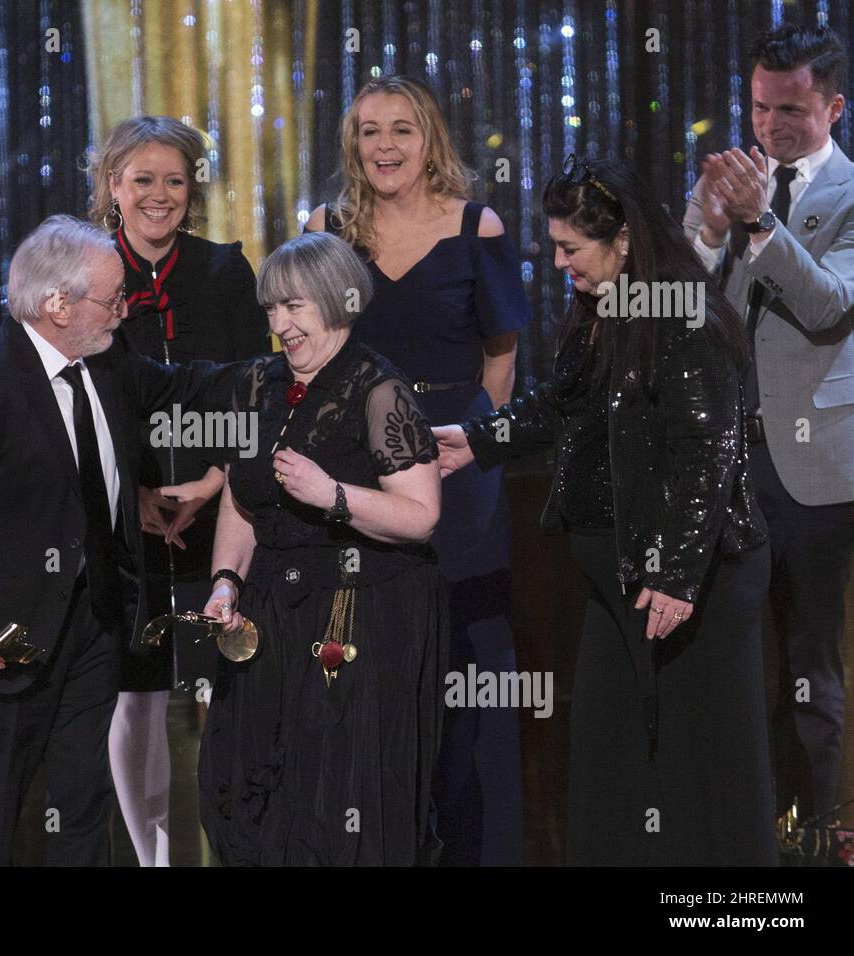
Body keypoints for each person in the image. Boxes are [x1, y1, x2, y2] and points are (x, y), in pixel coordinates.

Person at [437, 157, 776, 865]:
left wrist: (680, 576)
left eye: (571, 249)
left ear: (622, 239)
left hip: (693, 588)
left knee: (708, 773)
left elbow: (707, 451)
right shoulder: (601, 310)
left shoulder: (683, 315)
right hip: (617, 580)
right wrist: (475, 440)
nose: (558, 263)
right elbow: (563, 406)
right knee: (607, 765)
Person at [0, 215, 236, 866]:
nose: (124, 309)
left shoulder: (108, 361)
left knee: (82, 803)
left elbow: (182, 387)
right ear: (57, 304)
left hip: (97, 624)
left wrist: (280, 372)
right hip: (6, 637)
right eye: (112, 298)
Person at [307, 73, 530, 865]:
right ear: (352, 143)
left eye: (401, 129)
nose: (385, 146)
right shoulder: (327, 227)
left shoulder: (479, 224)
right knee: (372, 660)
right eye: (369, 131)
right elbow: (307, 354)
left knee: (469, 661)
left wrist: (476, 445)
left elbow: (501, 359)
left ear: (429, 137)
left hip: (458, 462)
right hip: (359, 467)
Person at [198, 230, 445, 866]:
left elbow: (420, 516)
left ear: (339, 301)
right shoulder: (257, 383)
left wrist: (333, 493)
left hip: (359, 609)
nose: (281, 324)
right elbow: (240, 497)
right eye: (272, 308)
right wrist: (226, 579)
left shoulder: (379, 389)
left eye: (295, 307)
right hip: (271, 610)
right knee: (245, 787)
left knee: (337, 796)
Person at [88, 115, 270, 866]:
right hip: (122, 510)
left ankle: (229, 848)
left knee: (216, 686)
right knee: (137, 691)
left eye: (174, 179)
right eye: (142, 179)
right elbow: (81, 396)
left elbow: (257, 389)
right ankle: (154, 861)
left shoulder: (225, 269)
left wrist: (215, 483)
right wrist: (130, 497)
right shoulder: (89, 271)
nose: (160, 195)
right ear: (111, 187)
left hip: (218, 505)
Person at [683, 22, 853, 828]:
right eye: (759, 108)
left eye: (791, 110)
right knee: (731, 653)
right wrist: (713, 229)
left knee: (809, 659)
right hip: (724, 460)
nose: (772, 127)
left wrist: (757, 225)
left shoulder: (849, 195)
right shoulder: (730, 181)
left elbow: (825, 307)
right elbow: (683, 306)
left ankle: (813, 832)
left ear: (834, 106)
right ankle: (742, 829)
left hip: (815, 466)